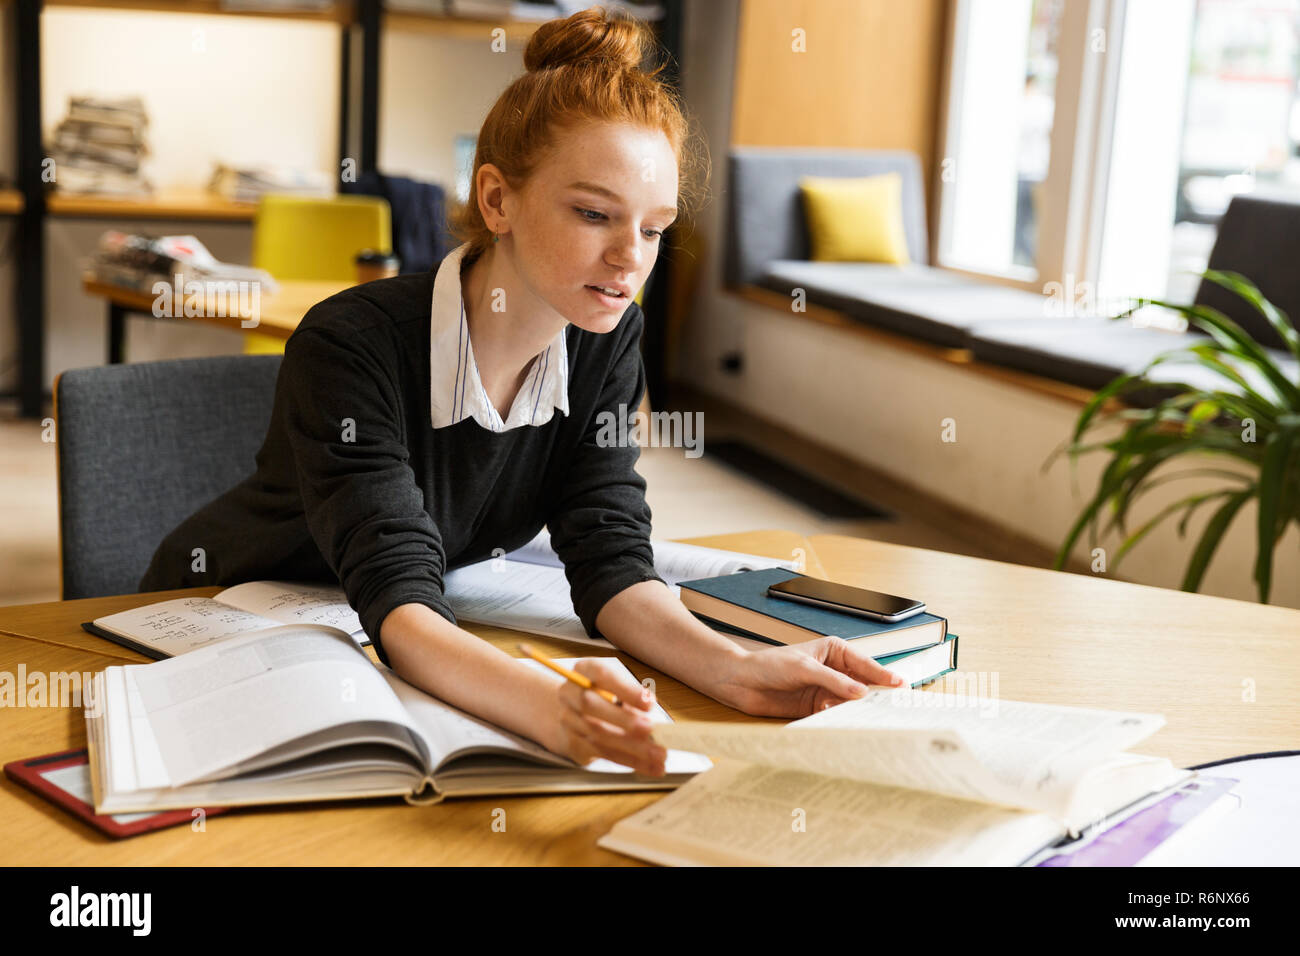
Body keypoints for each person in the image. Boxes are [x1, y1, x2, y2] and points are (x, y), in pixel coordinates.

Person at [138, 6, 904, 779]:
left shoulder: (607, 341)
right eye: (595, 214)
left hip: (378, 622)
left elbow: (609, 554)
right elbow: (397, 584)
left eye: (652, 228)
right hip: (222, 619)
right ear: (497, 201)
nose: (627, 258)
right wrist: (550, 705)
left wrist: (738, 669)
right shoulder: (353, 342)